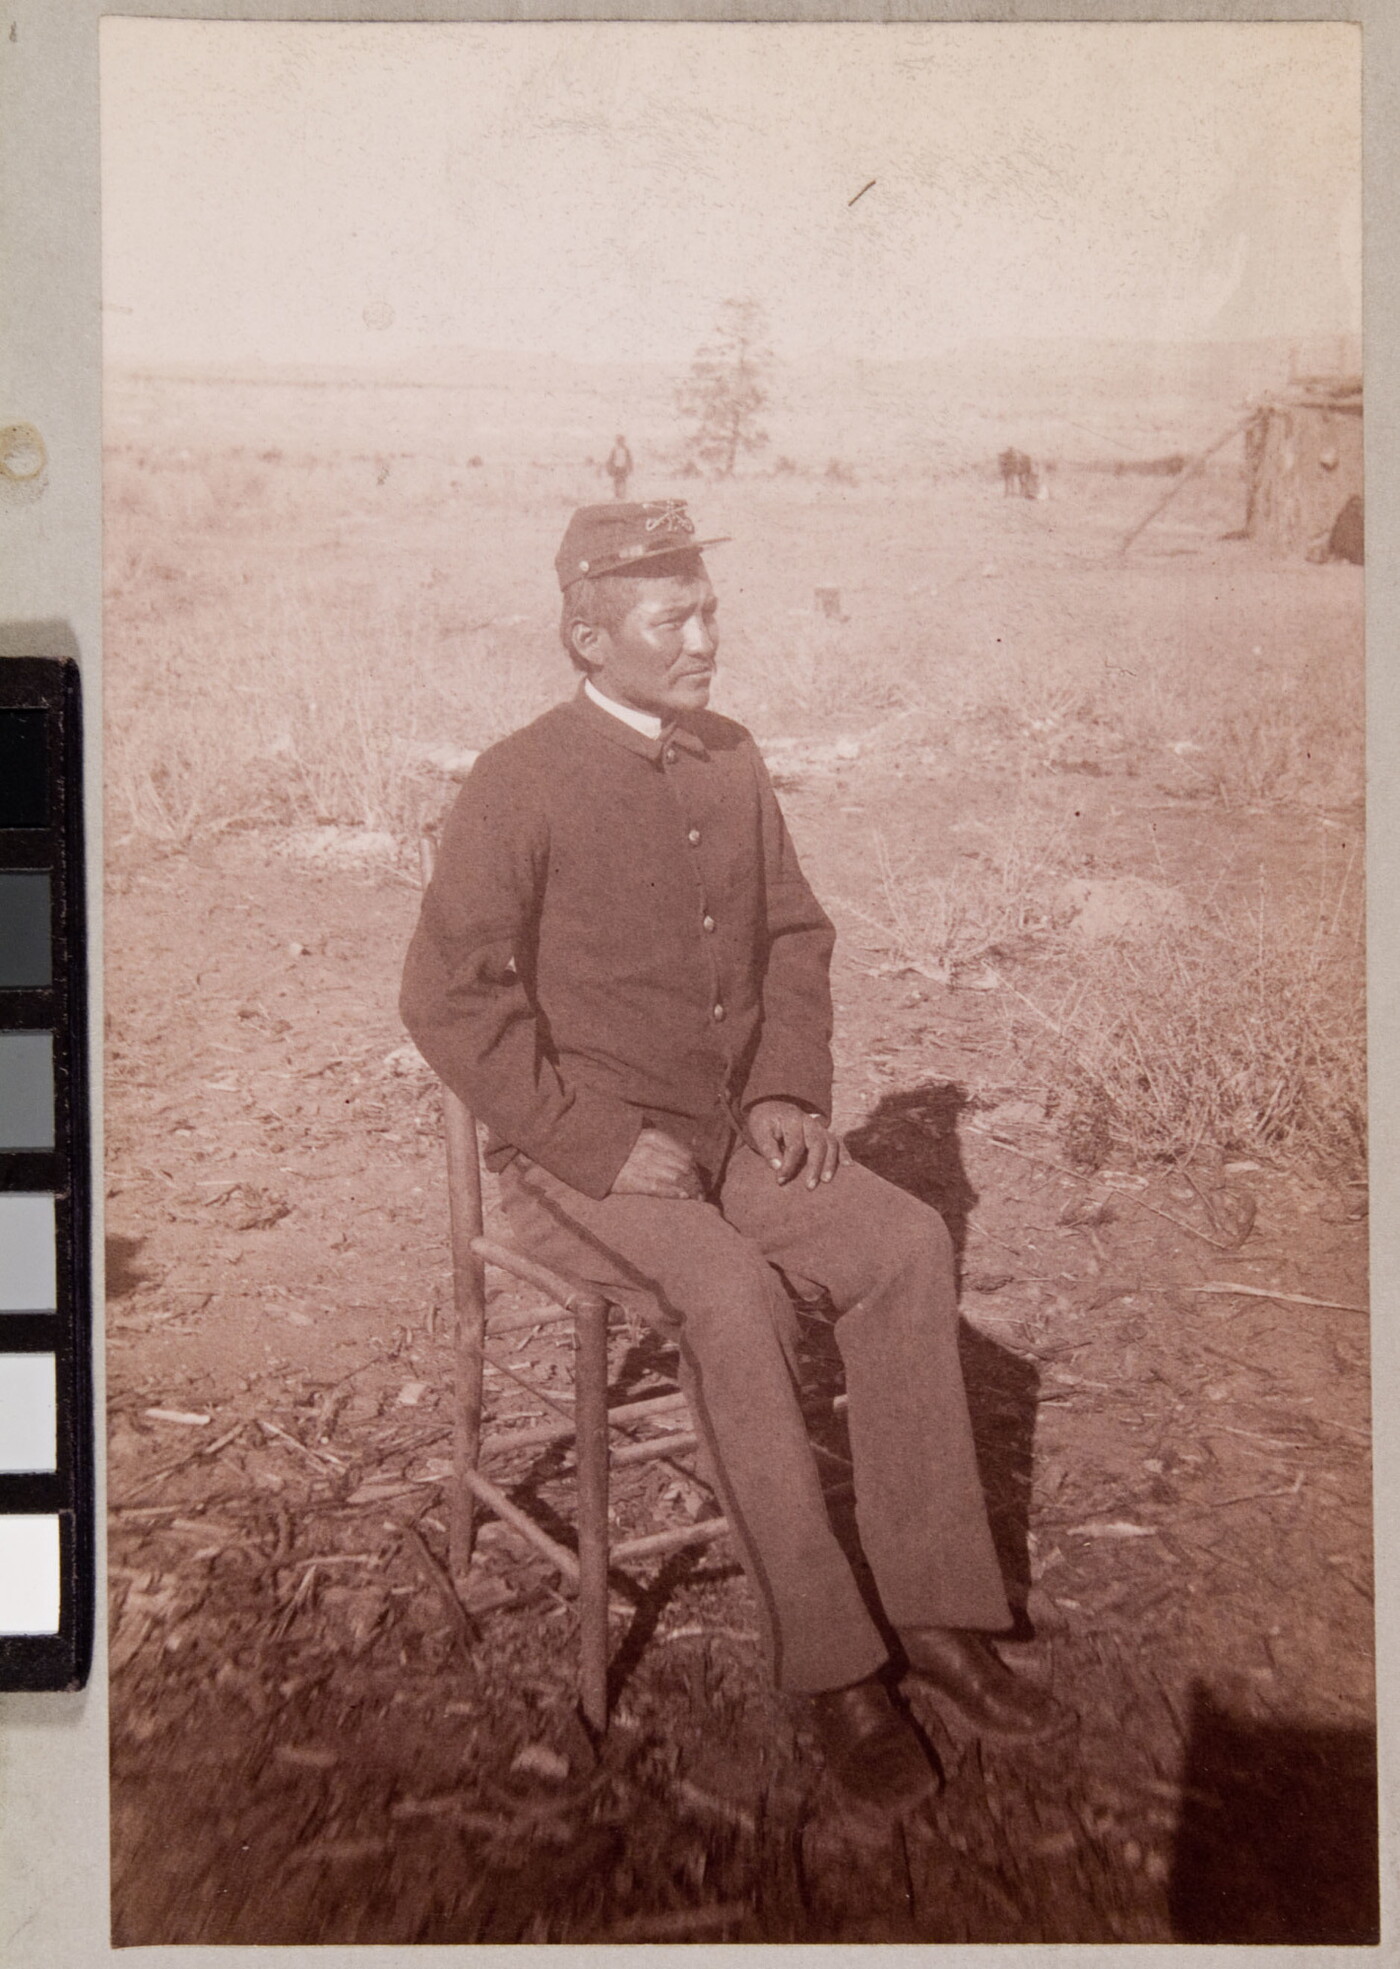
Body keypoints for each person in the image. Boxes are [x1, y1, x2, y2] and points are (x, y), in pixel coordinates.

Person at [400, 500, 1072, 1814]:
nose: (707, 636)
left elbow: (793, 937)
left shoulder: (732, 758)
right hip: (577, 1174)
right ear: (589, 637)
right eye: (675, 620)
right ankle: (832, 1670)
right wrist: (591, 1140)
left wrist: (783, 1087)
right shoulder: (519, 779)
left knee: (902, 1243)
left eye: (710, 609)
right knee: (732, 1292)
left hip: (727, 1140)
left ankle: (935, 1610)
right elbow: (449, 999)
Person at [605, 434, 634, 500]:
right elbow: (610, 459)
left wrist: (630, 468)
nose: (619, 442)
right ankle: (616, 495)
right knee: (616, 482)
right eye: (618, 440)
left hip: (623, 467)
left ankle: (623, 495)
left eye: (621, 440)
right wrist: (610, 469)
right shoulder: (614, 449)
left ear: (623, 441)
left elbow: (629, 459)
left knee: (623, 481)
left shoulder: (626, 450)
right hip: (616, 467)